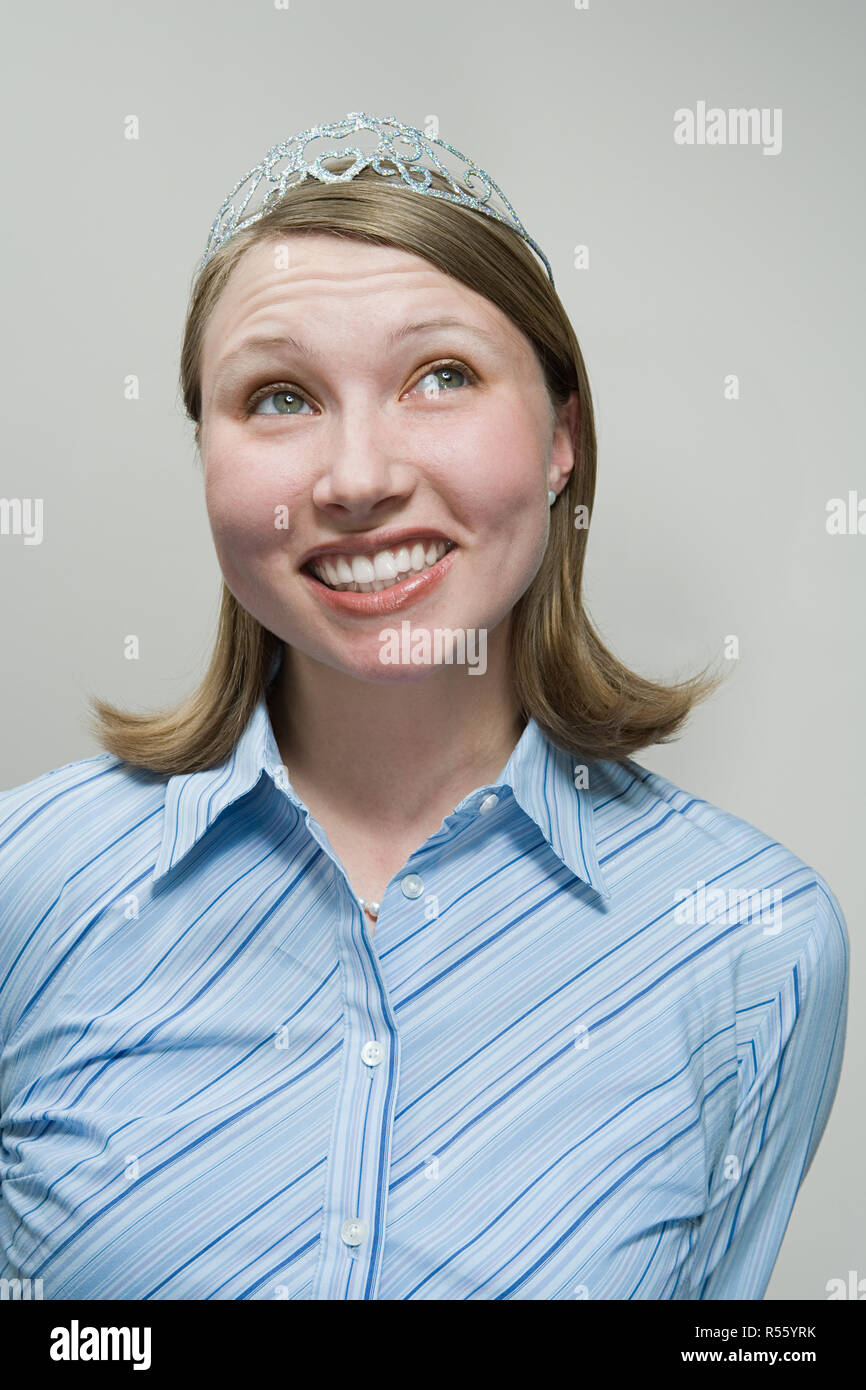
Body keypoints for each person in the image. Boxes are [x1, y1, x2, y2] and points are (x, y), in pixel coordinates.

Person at [0, 113, 848, 1300]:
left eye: (438, 376)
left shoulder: (754, 944)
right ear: (207, 457)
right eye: (279, 396)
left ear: (561, 438)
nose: (357, 478)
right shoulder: (25, 883)